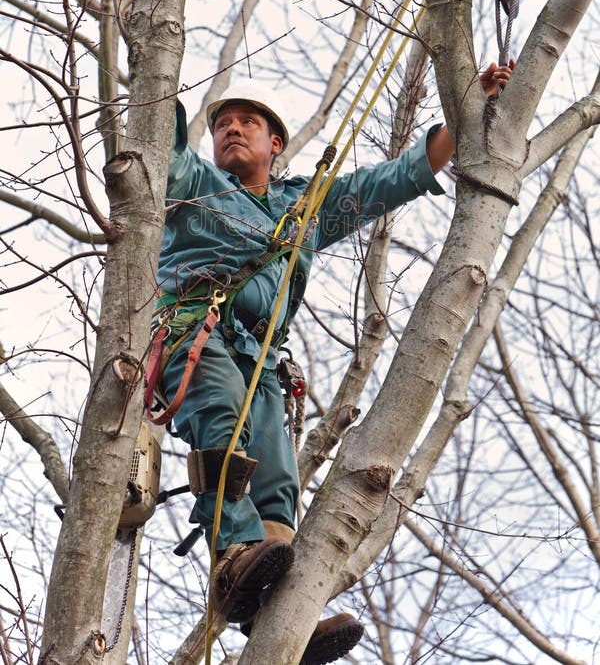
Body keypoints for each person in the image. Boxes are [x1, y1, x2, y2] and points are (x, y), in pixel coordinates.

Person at [154, 61, 513, 664]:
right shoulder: (194, 181)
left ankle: (282, 609)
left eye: (249, 123)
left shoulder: (305, 210)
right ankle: (233, 557)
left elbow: (392, 180)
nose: (232, 131)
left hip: (261, 357)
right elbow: (159, 138)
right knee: (221, 417)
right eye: (223, 125)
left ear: (276, 144)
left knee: (277, 479)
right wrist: (153, 73)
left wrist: (466, 105)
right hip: (197, 331)